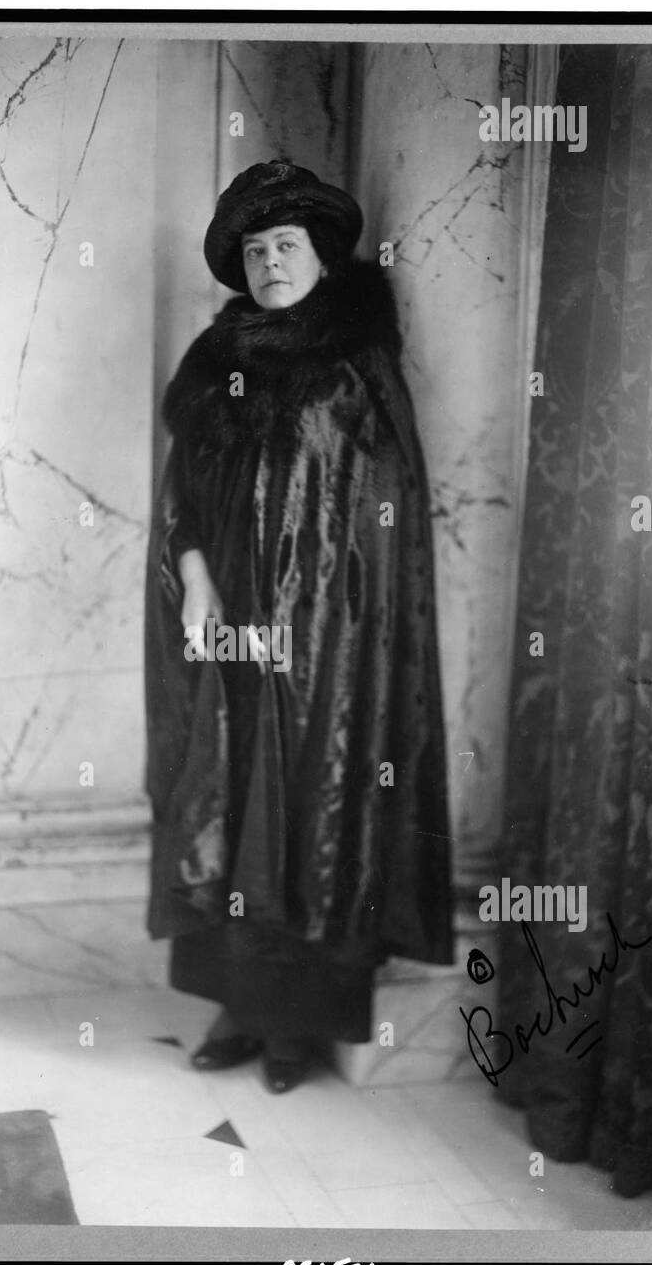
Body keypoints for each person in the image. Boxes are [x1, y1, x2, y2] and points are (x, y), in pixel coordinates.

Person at [144, 160, 452, 1094]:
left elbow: (388, 506)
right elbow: (181, 496)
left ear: (318, 255)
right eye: (254, 249)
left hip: (332, 639)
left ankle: (297, 1025)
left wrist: (345, 619)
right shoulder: (214, 363)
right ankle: (239, 1006)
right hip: (235, 635)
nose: (270, 261)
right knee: (228, 799)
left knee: (317, 806)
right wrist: (195, 581)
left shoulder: (359, 364)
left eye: (285, 245)